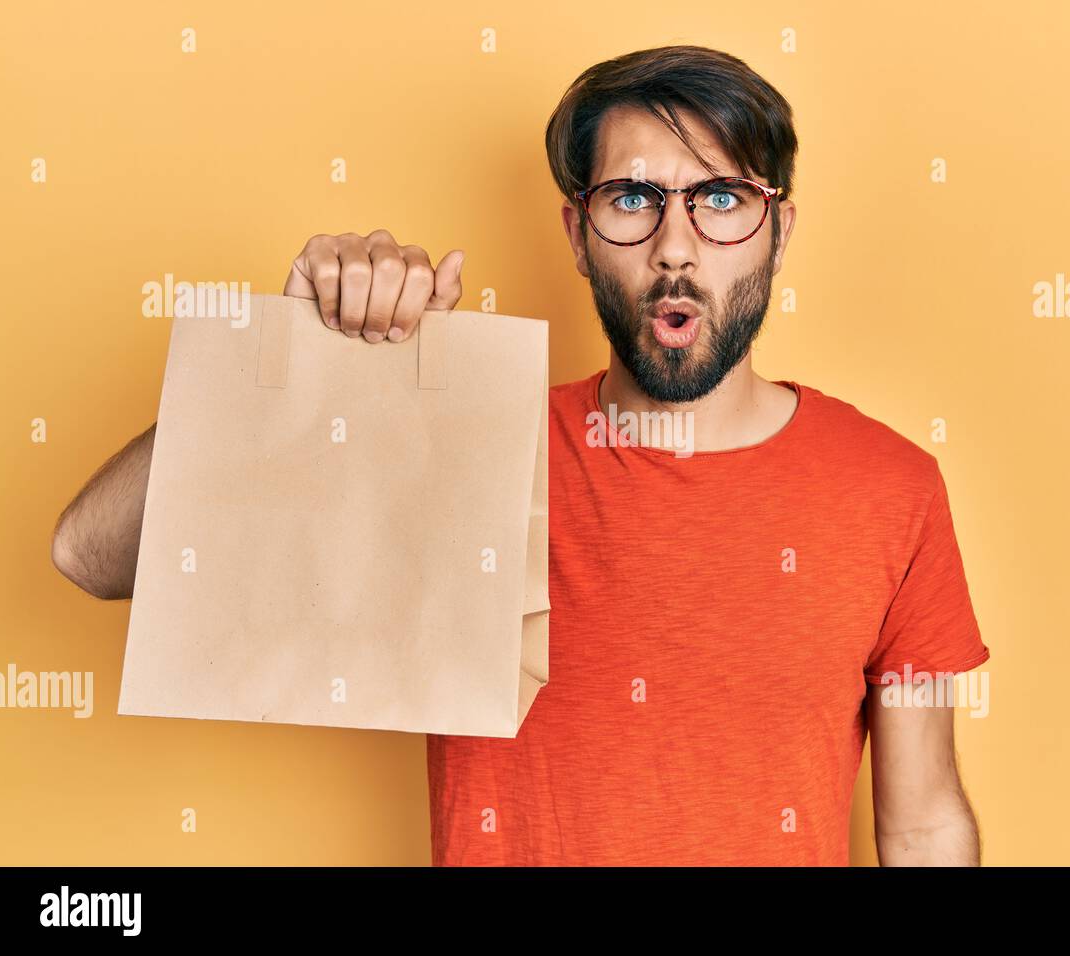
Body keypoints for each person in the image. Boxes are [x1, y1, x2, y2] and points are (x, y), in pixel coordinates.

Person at [52, 44, 991, 866]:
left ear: (779, 231)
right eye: (632, 198)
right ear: (578, 235)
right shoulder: (462, 451)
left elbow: (921, 825)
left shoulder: (893, 489)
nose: (676, 248)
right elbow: (90, 556)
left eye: (720, 199)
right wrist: (299, 365)